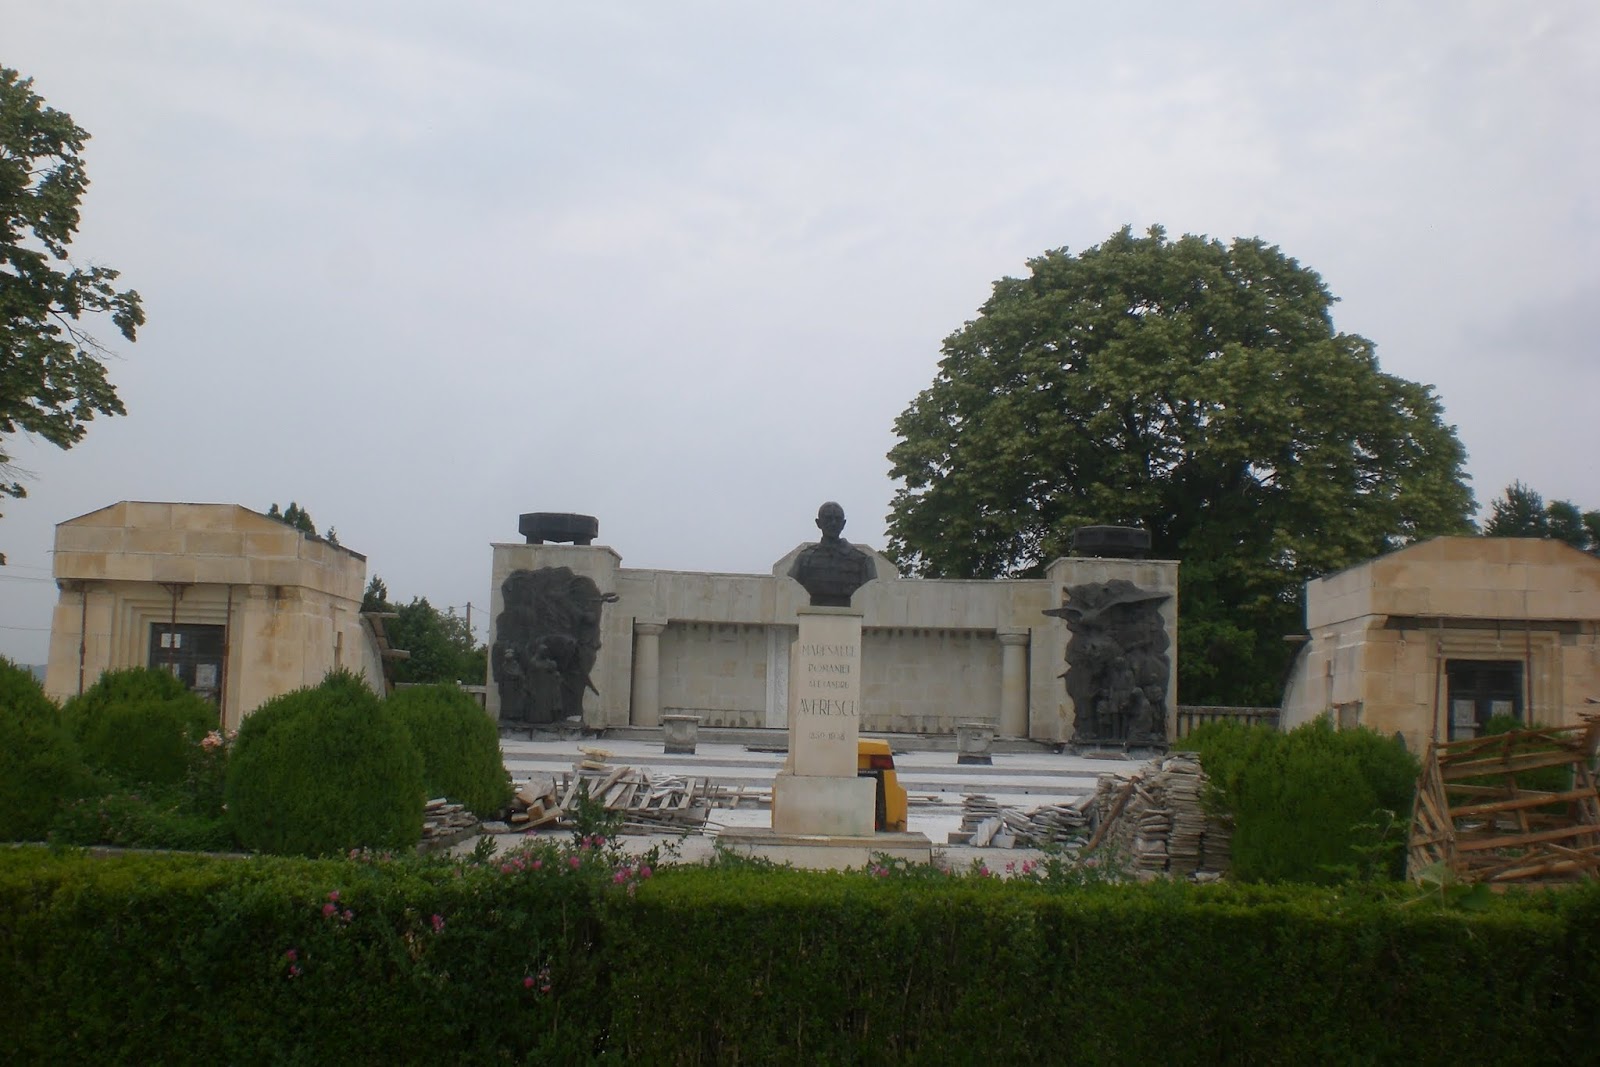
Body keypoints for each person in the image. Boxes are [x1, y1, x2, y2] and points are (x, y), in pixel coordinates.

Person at [788, 502, 878, 607]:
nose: (833, 523)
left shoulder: (862, 561)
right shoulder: (804, 559)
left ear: (843, 524)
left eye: (837, 519)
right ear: (818, 523)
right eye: (828, 518)